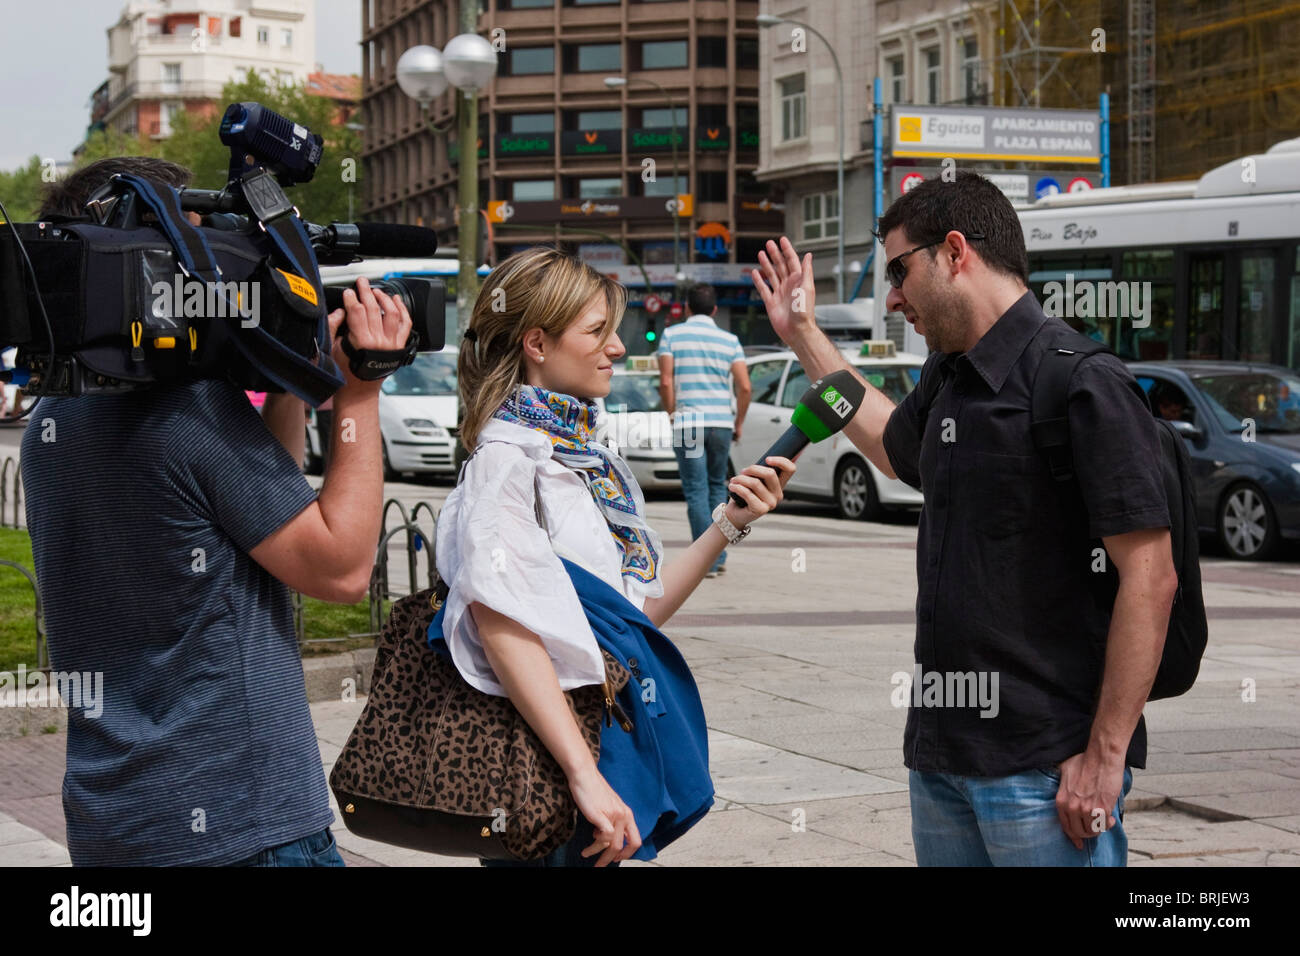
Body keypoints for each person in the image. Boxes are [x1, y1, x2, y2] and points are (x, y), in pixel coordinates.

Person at [750, 171, 1178, 867]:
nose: (892, 297)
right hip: (942, 758)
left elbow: (1151, 579)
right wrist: (802, 333)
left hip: (1043, 769)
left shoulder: (1081, 382)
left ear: (955, 252)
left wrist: (1104, 757)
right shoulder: (950, 375)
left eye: (899, 271)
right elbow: (893, 447)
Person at [22, 156, 413, 866]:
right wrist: (359, 397)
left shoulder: (55, 418)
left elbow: (262, 518)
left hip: (118, 827)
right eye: (200, 241)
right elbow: (341, 567)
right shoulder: (186, 411)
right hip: (243, 829)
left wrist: (292, 379)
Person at [433, 248, 794, 867]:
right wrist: (581, 773)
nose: (619, 349)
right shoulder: (508, 462)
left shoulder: (579, 457)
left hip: (592, 746)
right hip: (543, 765)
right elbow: (500, 624)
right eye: (598, 331)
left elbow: (636, 613)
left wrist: (728, 526)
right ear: (538, 344)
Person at [656, 284, 752, 578]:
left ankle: (705, 562)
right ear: (714, 310)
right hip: (721, 423)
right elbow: (745, 386)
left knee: (695, 489)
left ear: (686, 308)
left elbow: (666, 381)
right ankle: (718, 555)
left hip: (688, 422)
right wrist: (738, 423)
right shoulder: (730, 340)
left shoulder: (672, 335)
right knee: (716, 488)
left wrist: (672, 413)